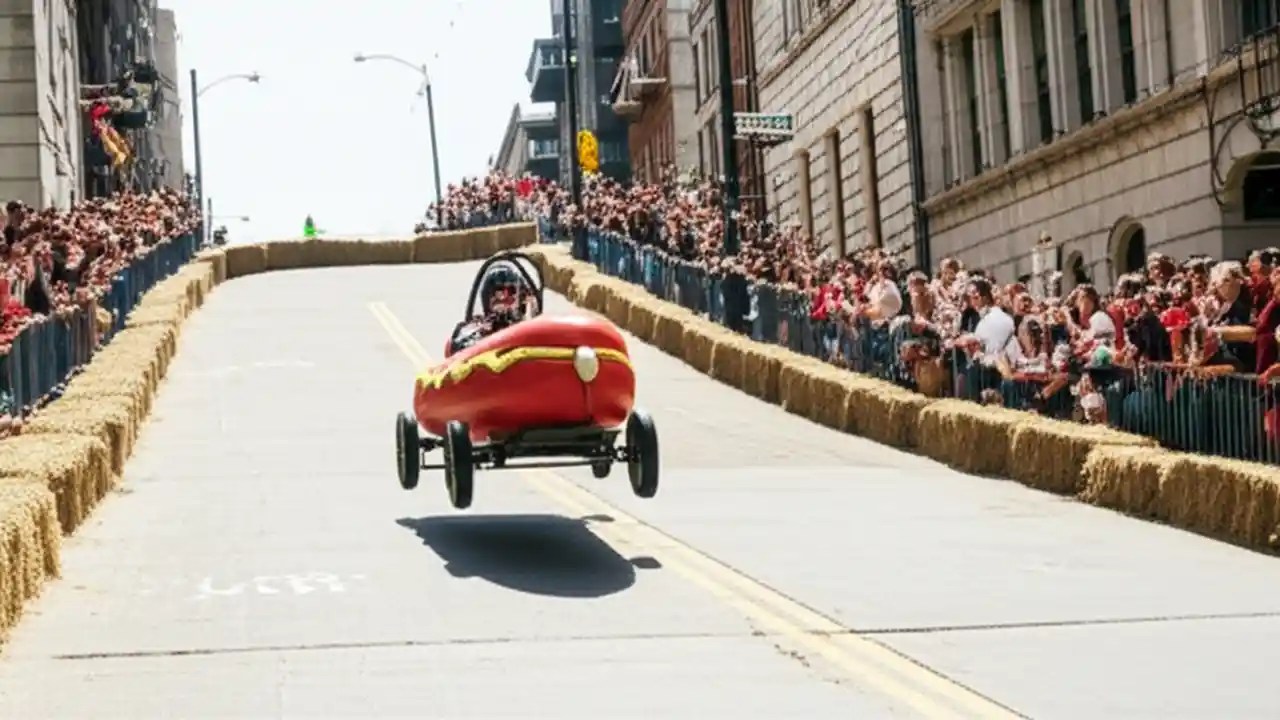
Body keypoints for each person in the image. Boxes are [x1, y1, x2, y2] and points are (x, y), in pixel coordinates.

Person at [448, 266, 536, 352]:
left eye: (511, 291)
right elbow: (459, 347)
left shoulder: (530, 329)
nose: (505, 297)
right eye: (499, 292)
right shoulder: (475, 328)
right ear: (487, 296)